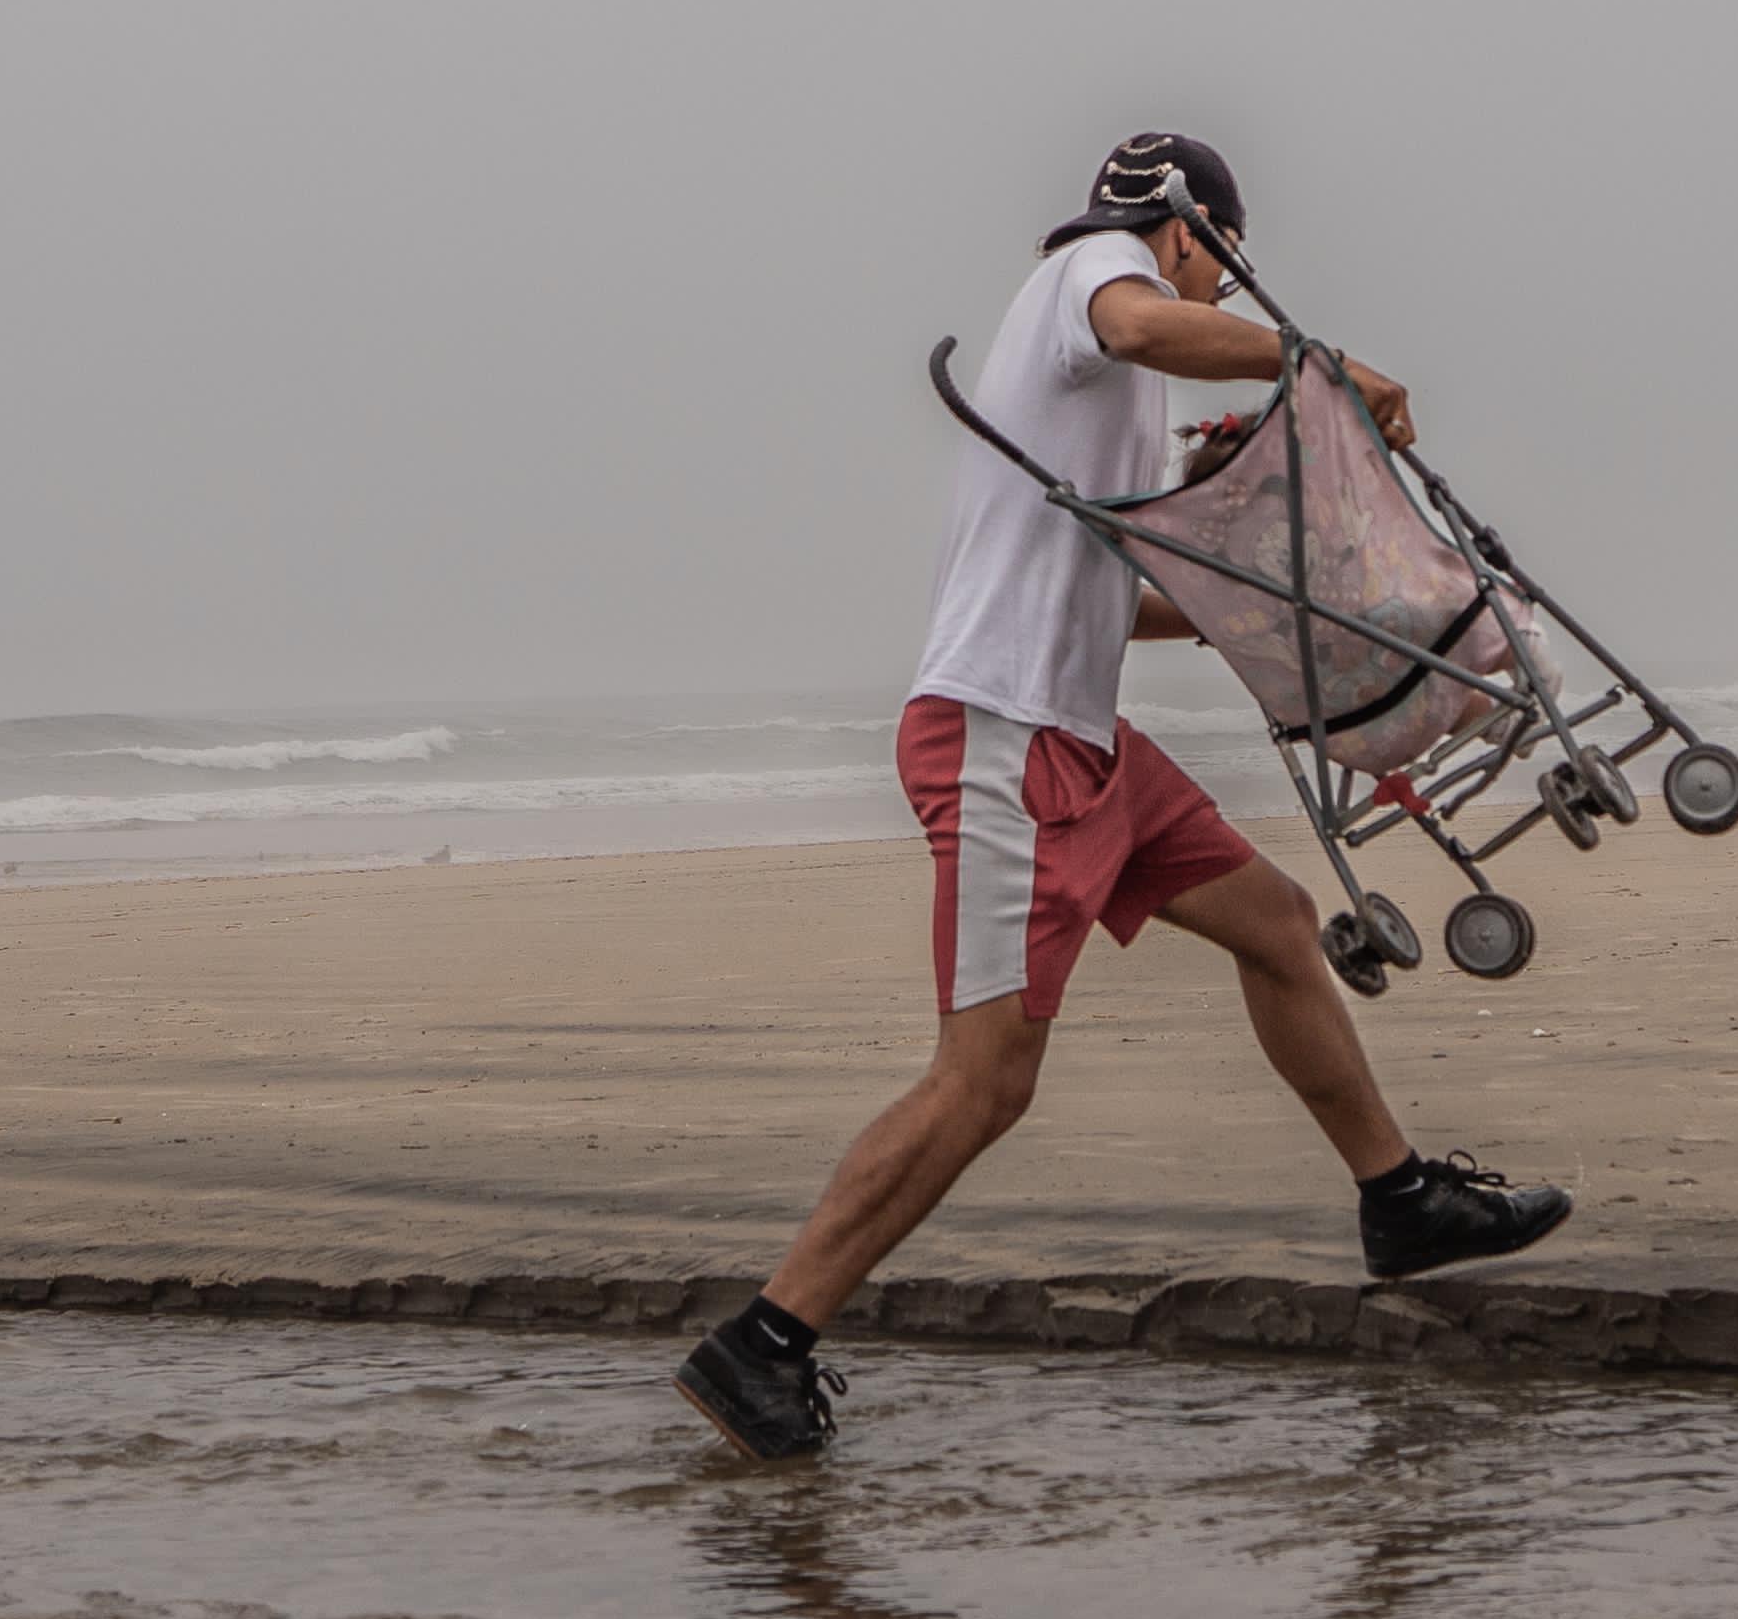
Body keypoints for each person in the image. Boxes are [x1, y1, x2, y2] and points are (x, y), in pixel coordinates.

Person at [673, 131, 1572, 1461]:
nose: (1219, 300)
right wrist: (1320, 362)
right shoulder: (1095, 273)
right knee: (985, 1085)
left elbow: (1106, 594)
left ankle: (1400, 1201)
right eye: (1220, 272)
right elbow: (1145, 318)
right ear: (1192, 230)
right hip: (1002, 742)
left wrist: (1239, 611)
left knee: (1274, 924)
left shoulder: (1104, 390)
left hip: (1084, 739)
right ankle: (765, 1339)